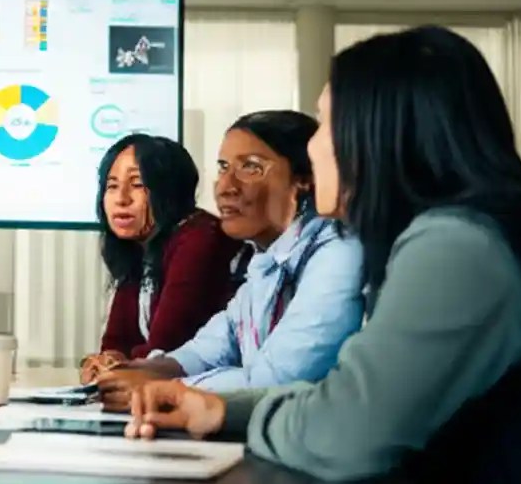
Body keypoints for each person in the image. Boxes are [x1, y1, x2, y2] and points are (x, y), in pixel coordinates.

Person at [124, 26, 521, 484]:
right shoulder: (447, 237)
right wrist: (220, 412)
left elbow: (347, 429)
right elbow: (348, 395)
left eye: (326, 124)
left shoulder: (456, 247)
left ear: (379, 132)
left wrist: (237, 412)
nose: (312, 146)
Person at [98, 111, 364, 406]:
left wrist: (165, 386)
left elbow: (274, 380)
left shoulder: (339, 251)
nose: (225, 187)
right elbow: (207, 349)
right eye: (223, 168)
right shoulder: (266, 259)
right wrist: (137, 371)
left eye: (250, 167)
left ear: (303, 179)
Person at [79, 134, 241, 384]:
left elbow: (168, 344)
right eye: (111, 186)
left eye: (137, 184)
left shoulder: (199, 238)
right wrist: (104, 361)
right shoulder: (139, 246)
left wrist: (118, 366)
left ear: (169, 189)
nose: (121, 198)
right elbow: (117, 341)